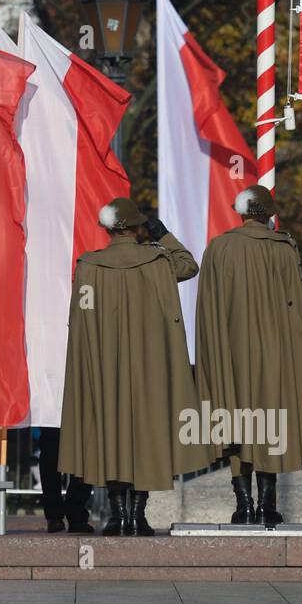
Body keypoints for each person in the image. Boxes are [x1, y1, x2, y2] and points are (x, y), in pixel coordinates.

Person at [58, 197, 210, 536]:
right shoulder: (157, 262)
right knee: (146, 434)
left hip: (106, 364)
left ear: (109, 229)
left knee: (111, 433)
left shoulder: (89, 266)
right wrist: (163, 234)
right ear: (136, 227)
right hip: (149, 364)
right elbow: (189, 265)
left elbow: (82, 314)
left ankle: (117, 516)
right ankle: (138, 516)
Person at [194, 185, 302, 527]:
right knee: (270, 423)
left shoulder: (219, 247)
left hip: (231, 350)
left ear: (242, 212)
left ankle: (243, 505)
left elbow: (209, 308)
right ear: (269, 214)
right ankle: (267, 505)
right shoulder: (283, 248)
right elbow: (294, 309)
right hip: (274, 351)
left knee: (236, 422)